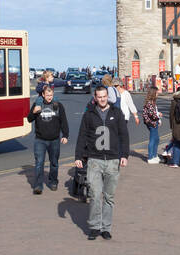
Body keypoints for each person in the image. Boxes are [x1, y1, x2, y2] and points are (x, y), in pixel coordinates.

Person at [73, 84, 129, 240]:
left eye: (104, 96)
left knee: (109, 197)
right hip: (94, 160)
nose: (102, 99)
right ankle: (95, 227)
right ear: (95, 98)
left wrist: (124, 155)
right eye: (99, 97)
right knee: (95, 194)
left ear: (107, 97)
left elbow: (124, 135)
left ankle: (106, 228)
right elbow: (82, 136)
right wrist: (78, 157)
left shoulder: (116, 113)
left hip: (112, 160)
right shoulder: (89, 115)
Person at [27, 79, 69, 195]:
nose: (49, 97)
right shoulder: (38, 104)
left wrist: (65, 135)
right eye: (47, 95)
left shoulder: (58, 105)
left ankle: (53, 181)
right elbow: (29, 119)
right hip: (40, 140)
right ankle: (38, 185)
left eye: (51, 95)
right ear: (43, 95)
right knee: (39, 163)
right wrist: (34, 112)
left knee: (54, 162)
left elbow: (63, 121)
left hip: (54, 139)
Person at [142, 86, 162, 163]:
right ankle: (150, 157)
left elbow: (153, 112)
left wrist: (158, 117)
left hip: (154, 122)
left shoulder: (152, 102)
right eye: (157, 93)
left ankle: (154, 155)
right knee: (153, 139)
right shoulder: (149, 103)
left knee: (156, 139)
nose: (158, 94)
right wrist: (158, 116)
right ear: (153, 93)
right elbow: (152, 114)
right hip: (152, 123)